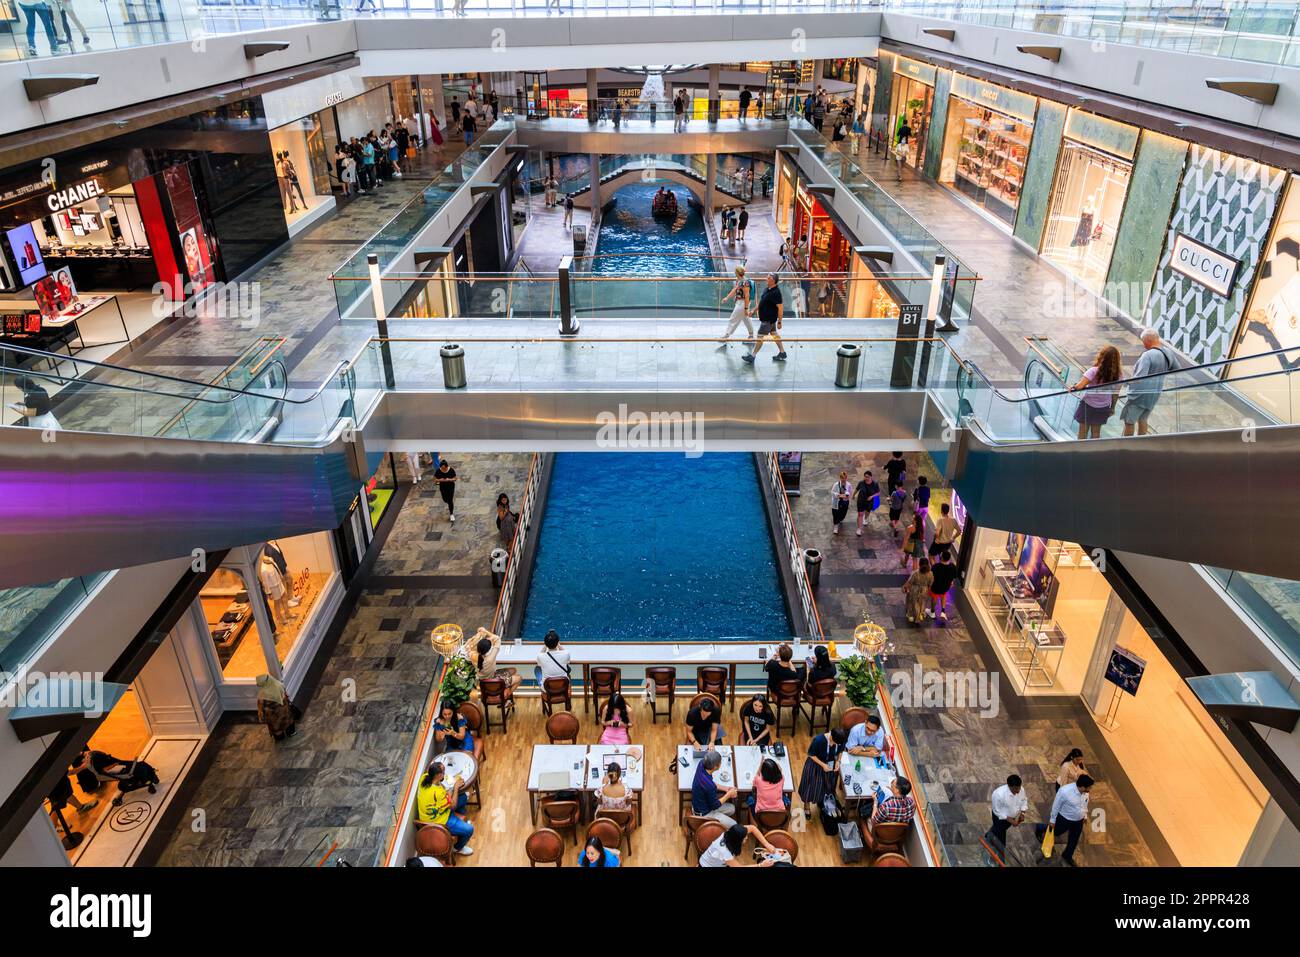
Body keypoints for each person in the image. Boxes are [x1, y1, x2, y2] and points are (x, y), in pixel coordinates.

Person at [1122, 328, 1177, 436]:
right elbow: (1176, 369)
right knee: (1143, 419)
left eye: (1143, 342)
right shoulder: (1168, 353)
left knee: (1129, 421)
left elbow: (1139, 378)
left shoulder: (1147, 355)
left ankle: (1127, 448)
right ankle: (1141, 446)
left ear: (1147, 340)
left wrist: (1125, 381)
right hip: (1154, 393)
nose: (1144, 345)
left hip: (1139, 396)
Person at [415, 761, 474, 855]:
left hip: (428, 816)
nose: (444, 774)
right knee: (470, 829)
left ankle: (460, 824)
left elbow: (441, 788)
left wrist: (448, 793)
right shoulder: (438, 794)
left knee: (462, 797)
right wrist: (455, 787)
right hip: (440, 822)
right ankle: (457, 848)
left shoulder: (424, 777)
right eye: (443, 772)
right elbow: (453, 805)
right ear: (438, 775)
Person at [1070, 344, 1123, 439]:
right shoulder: (1119, 375)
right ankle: (1093, 451)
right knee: (1096, 433)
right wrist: (1112, 408)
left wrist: (1073, 387)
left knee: (1083, 431)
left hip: (1088, 404)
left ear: (1101, 356)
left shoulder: (1093, 371)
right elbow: (1115, 394)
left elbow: (1080, 386)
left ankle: (1080, 451)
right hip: (1104, 407)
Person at [797, 727, 846, 813]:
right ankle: (807, 805)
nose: (834, 744)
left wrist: (838, 761)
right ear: (831, 735)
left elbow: (841, 751)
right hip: (815, 765)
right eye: (834, 742)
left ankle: (821, 801)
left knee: (826, 785)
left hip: (829, 764)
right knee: (811, 787)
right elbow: (811, 755)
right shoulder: (819, 740)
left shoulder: (840, 740)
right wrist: (823, 765)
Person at [1047, 774, 1092, 866]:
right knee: (1056, 832)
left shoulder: (1086, 792)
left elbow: (1084, 804)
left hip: (1078, 821)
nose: (1090, 789)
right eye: (1089, 787)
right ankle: (1040, 828)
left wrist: (1085, 816)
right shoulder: (1064, 791)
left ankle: (1067, 855)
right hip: (1065, 819)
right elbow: (1056, 806)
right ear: (1082, 787)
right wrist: (1052, 820)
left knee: (1074, 839)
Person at [743, 274, 787, 364]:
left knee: (760, 337)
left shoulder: (776, 293)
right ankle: (782, 352)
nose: (766, 278)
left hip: (768, 320)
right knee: (774, 334)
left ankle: (753, 356)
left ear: (773, 280)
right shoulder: (767, 289)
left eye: (769, 277)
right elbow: (761, 301)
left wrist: (780, 321)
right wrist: (754, 310)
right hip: (767, 319)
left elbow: (780, 308)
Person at [692, 750, 738, 828]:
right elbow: (715, 805)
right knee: (734, 825)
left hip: (698, 805)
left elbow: (710, 783)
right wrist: (728, 795)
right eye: (720, 762)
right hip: (705, 814)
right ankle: (713, 824)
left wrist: (725, 788)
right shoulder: (710, 787)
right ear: (715, 766)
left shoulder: (701, 764)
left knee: (732, 809)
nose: (721, 763)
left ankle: (719, 820)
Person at [699, 823, 779, 867]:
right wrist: (761, 865)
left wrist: (767, 844)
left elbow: (753, 828)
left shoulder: (731, 833)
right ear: (737, 841)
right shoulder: (725, 852)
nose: (747, 838)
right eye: (745, 837)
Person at [472, 626, 521, 692]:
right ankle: (505, 695)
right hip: (494, 681)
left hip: (484, 682)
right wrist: (485, 631)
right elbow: (497, 639)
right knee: (519, 678)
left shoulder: (474, 655)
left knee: (513, 670)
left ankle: (504, 688)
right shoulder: (490, 657)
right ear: (488, 650)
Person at [718, 265, 755, 347]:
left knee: (733, 319)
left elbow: (747, 296)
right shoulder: (739, 281)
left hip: (742, 303)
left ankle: (726, 336)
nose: (734, 273)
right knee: (746, 319)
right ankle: (751, 336)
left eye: (735, 272)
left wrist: (746, 308)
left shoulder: (745, 283)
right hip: (740, 302)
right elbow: (734, 290)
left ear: (738, 273)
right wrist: (727, 298)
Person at [990, 774, 1029, 848]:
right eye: (1015, 789)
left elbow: (1024, 800)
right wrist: (1011, 820)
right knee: (1001, 838)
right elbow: (997, 811)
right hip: (1000, 819)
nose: (1018, 791)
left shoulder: (1021, 790)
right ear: (1009, 786)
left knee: (999, 829)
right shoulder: (998, 794)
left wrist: (1023, 813)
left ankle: (991, 833)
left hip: (1011, 819)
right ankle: (999, 852)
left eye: (1019, 788)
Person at [255, 673, 296, 741]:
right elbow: (286, 695)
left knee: (277, 729)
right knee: (288, 723)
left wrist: (261, 717)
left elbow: (261, 708)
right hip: (285, 711)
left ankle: (280, 738)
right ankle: (291, 733)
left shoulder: (262, 695)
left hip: (273, 717)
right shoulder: (279, 684)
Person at [929, 548, 958, 623]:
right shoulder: (952, 567)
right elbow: (954, 577)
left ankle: (932, 612)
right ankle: (943, 611)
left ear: (941, 557)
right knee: (943, 595)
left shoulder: (936, 566)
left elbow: (931, 577)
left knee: (934, 597)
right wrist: (951, 582)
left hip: (935, 586)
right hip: (945, 587)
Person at [902, 558, 933, 625]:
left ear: (919, 564)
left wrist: (905, 587)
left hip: (914, 590)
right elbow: (930, 584)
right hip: (924, 590)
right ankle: (920, 614)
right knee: (922, 602)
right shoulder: (930, 573)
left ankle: (911, 615)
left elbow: (910, 582)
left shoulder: (916, 573)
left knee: (912, 602)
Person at [854, 469, 880, 536]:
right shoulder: (861, 483)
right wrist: (853, 495)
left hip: (869, 501)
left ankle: (865, 519)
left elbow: (878, 493)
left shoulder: (875, 484)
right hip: (861, 500)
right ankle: (859, 529)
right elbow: (857, 489)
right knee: (860, 514)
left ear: (871, 477)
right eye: (865, 476)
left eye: (868, 477)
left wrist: (872, 496)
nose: (866, 478)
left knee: (867, 512)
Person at [830, 469, 852, 534]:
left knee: (843, 513)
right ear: (840, 478)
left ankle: (840, 519)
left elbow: (850, 492)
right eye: (842, 478)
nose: (843, 479)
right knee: (836, 514)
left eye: (844, 478)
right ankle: (836, 526)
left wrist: (847, 495)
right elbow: (832, 492)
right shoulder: (836, 484)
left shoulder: (848, 485)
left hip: (845, 502)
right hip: (837, 502)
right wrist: (838, 495)